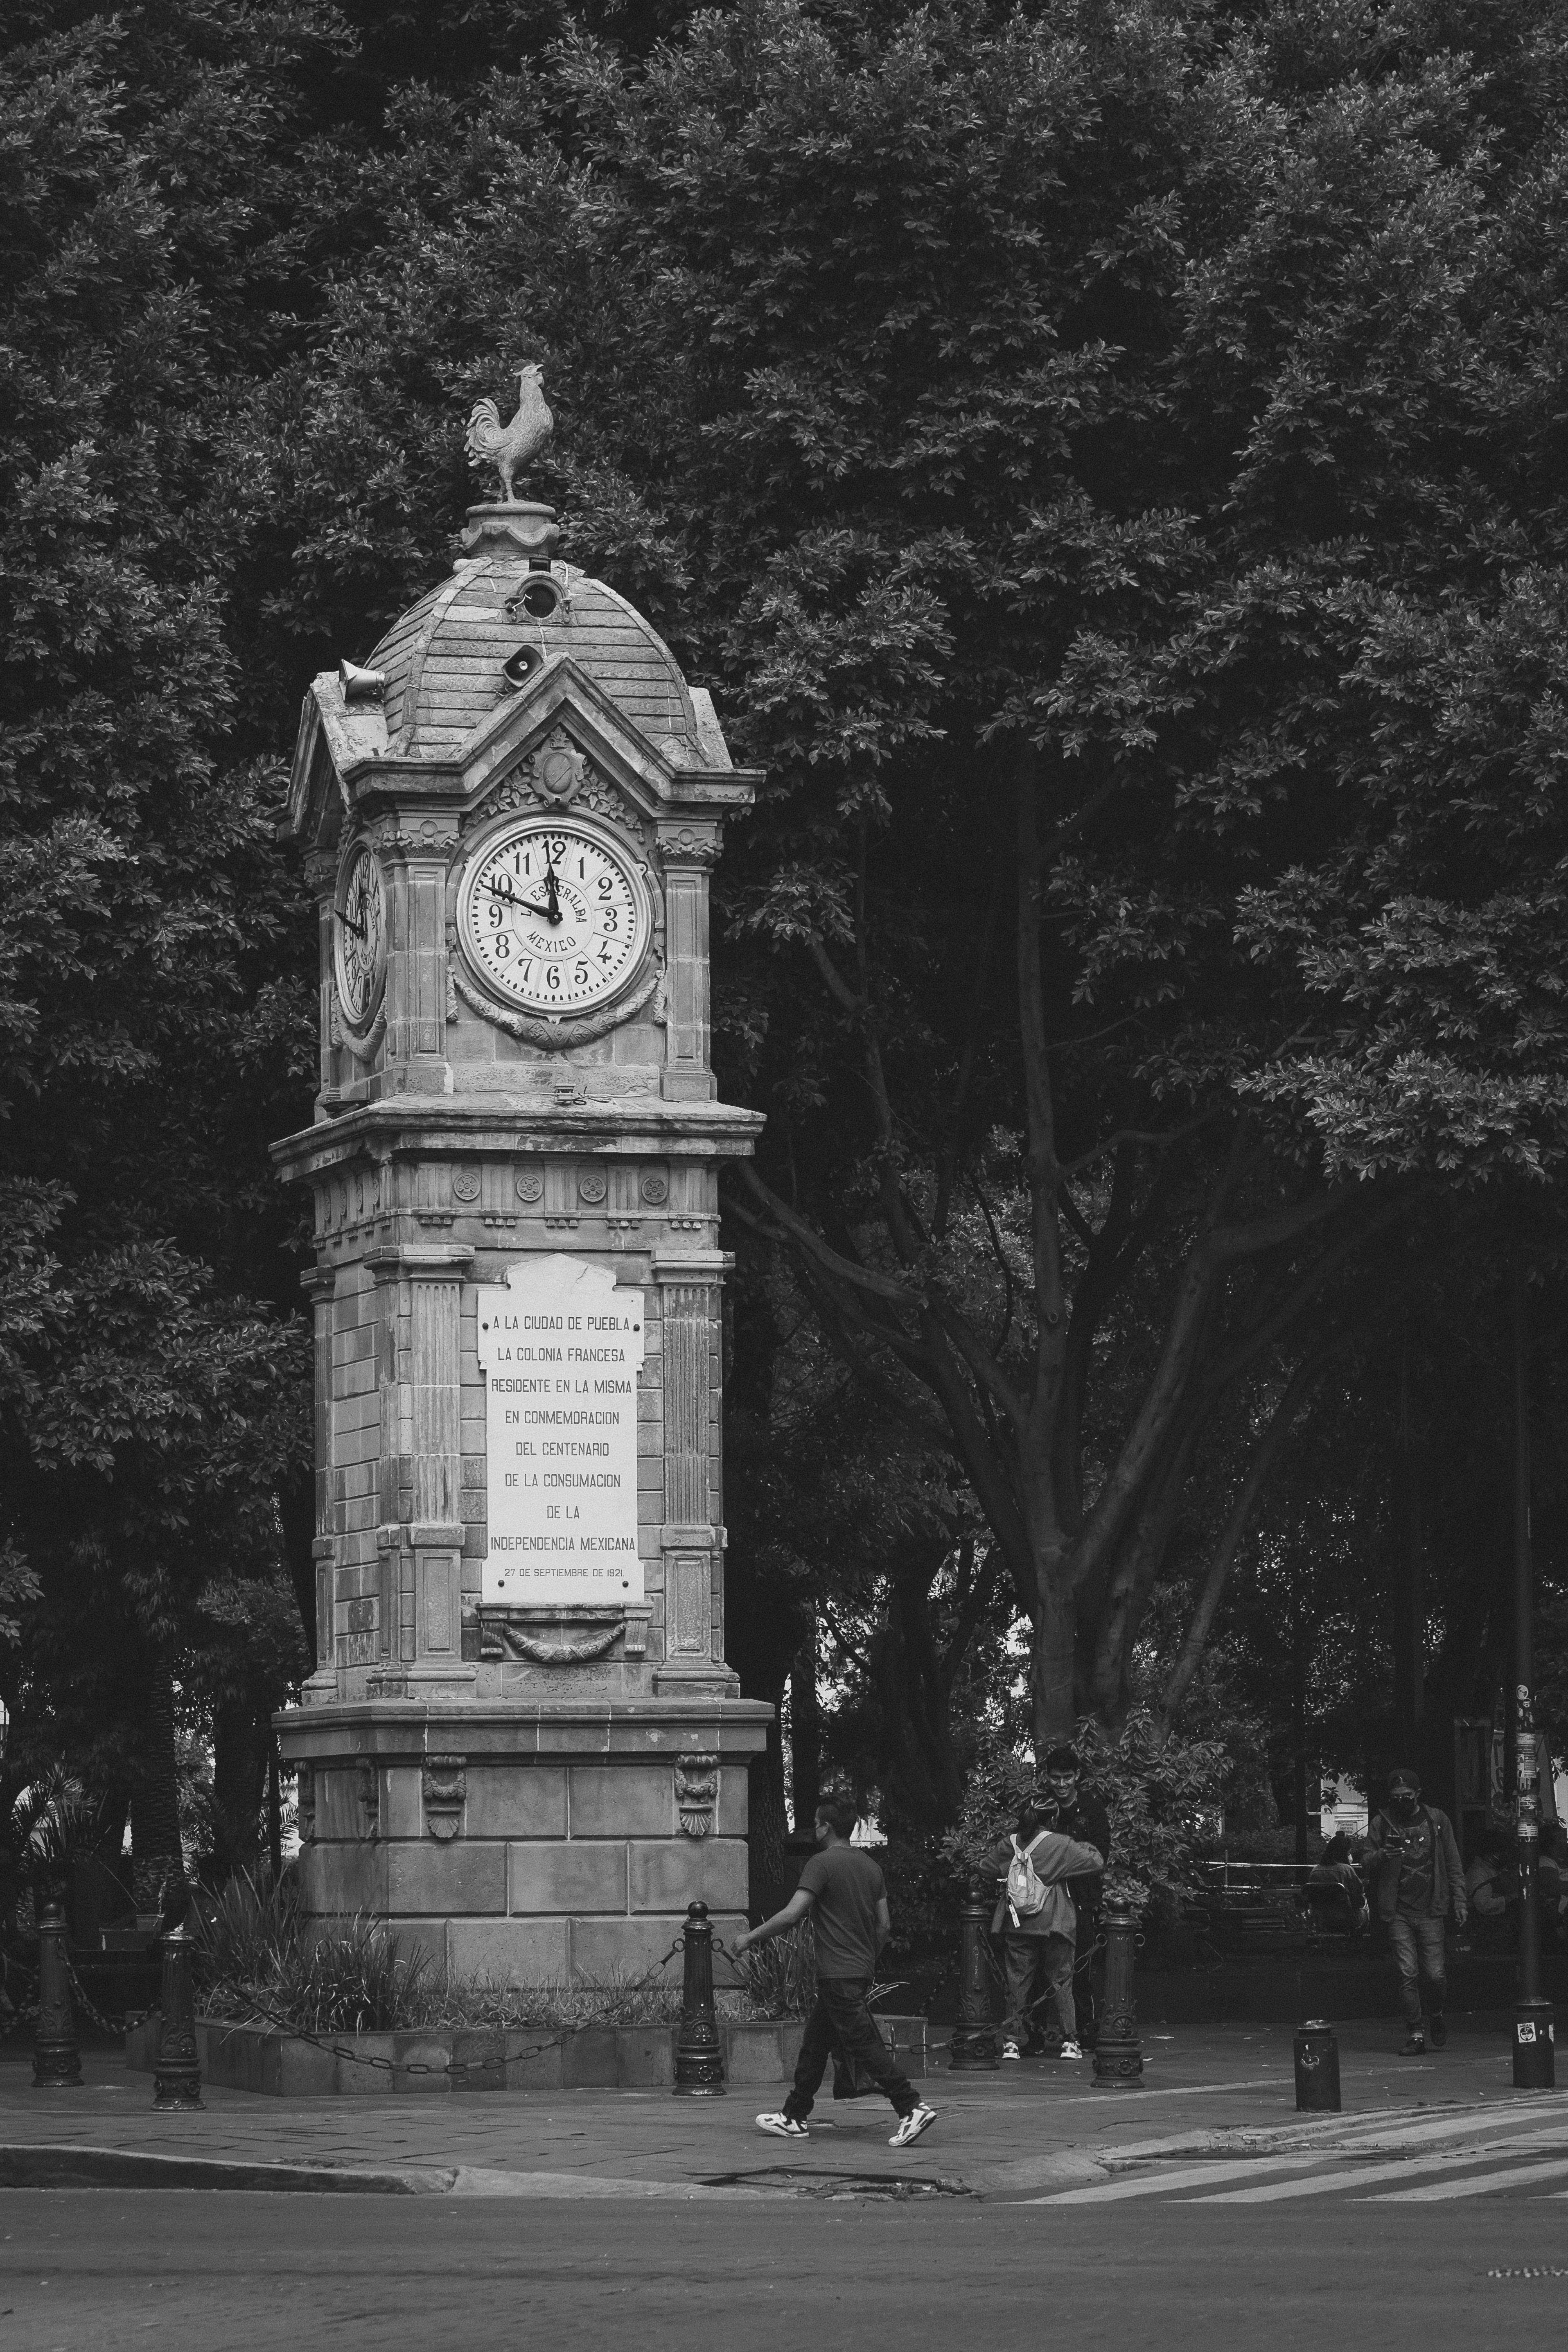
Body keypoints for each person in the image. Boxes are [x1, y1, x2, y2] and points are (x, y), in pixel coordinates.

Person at [733, 1791, 937, 2148]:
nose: (814, 1828)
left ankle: (910, 2106)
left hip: (836, 1971)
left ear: (825, 1827)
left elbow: (793, 1914)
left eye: (815, 1823)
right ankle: (794, 2116)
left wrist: (750, 1938)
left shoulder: (821, 1864)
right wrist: (867, 1957)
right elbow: (884, 1926)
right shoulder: (871, 1867)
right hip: (858, 1969)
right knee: (815, 2045)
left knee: (864, 2043)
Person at [982, 1796, 1105, 2062]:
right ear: (1052, 1820)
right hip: (1055, 1923)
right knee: (1061, 1981)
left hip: (1017, 1924)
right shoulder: (1060, 1844)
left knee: (1017, 1982)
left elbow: (985, 1867)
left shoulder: (1011, 1843)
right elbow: (1096, 1862)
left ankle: (1011, 2043)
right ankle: (1070, 2042)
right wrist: (1077, 1846)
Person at [1362, 1766, 1467, 2056]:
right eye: (1395, 1796)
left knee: (1435, 1974)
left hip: (1431, 1909)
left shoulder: (1437, 1820)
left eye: (1406, 1795)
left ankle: (1435, 2013)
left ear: (1418, 1794)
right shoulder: (1380, 1822)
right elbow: (1365, 1860)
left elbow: (1453, 1863)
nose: (1401, 1801)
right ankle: (1416, 2033)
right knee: (1406, 1973)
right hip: (1397, 1910)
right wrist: (1383, 1854)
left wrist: (1459, 1901)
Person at [1039, 1744, 1112, 2048]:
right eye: (1055, 1778)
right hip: (1044, 1900)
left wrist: (1060, 1859)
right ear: (1047, 1777)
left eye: (1067, 1777)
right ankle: (1037, 2033)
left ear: (1077, 1776)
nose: (1061, 1784)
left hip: (1081, 1898)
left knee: (1080, 1967)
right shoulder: (1040, 1807)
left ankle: (1084, 2029)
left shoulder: (1092, 1809)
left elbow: (1100, 1855)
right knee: (1041, 1967)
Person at [1304, 1833, 1369, 1938]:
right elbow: (1358, 1900)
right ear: (1345, 1852)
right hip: (1347, 1917)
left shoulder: (1315, 1870)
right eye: (1349, 1852)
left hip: (1321, 1919)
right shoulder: (1346, 1870)